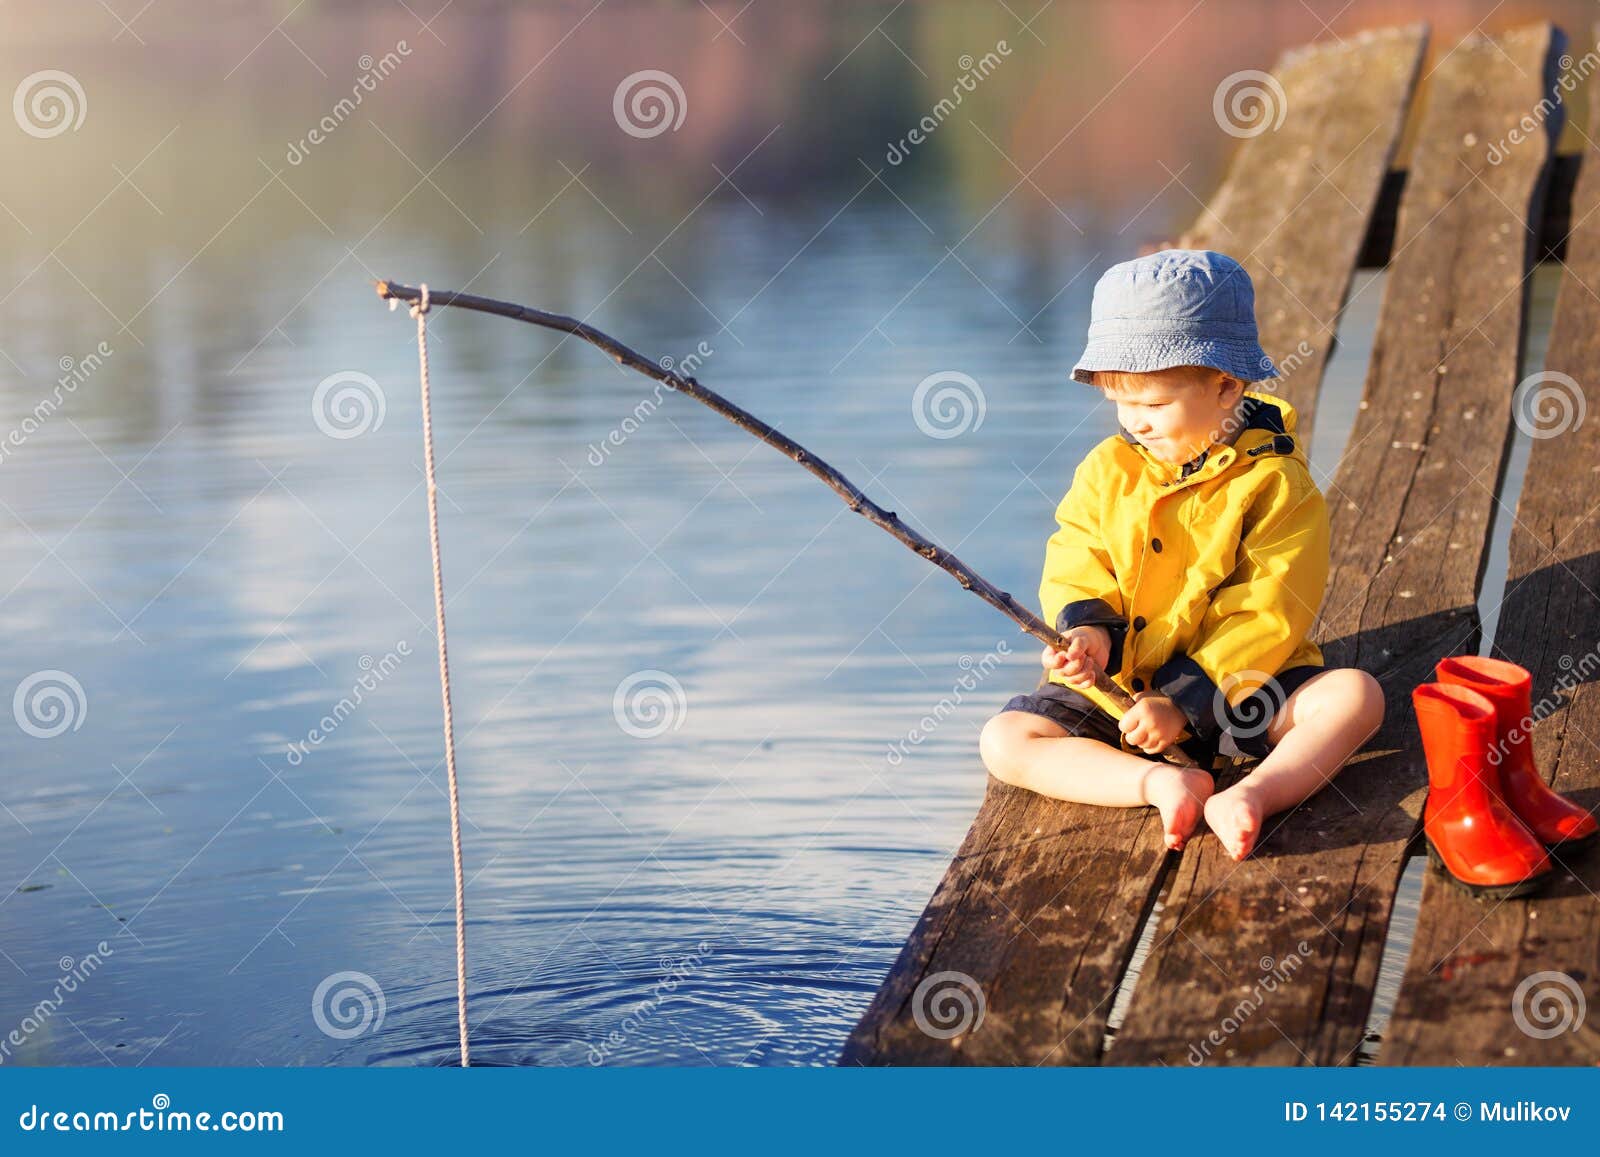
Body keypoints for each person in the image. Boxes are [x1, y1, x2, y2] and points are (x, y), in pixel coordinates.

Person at [978, 249, 1384, 860]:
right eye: (1121, 401)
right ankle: (1159, 782)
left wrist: (1185, 701)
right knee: (1006, 738)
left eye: (1153, 404)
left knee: (1354, 696)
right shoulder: (1108, 469)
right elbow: (1078, 551)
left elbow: (1270, 604)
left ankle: (1256, 793)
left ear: (1226, 387)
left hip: (1237, 682)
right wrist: (1088, 630)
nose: (1133, 422)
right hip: (1119, 686)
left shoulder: (1275, 484)